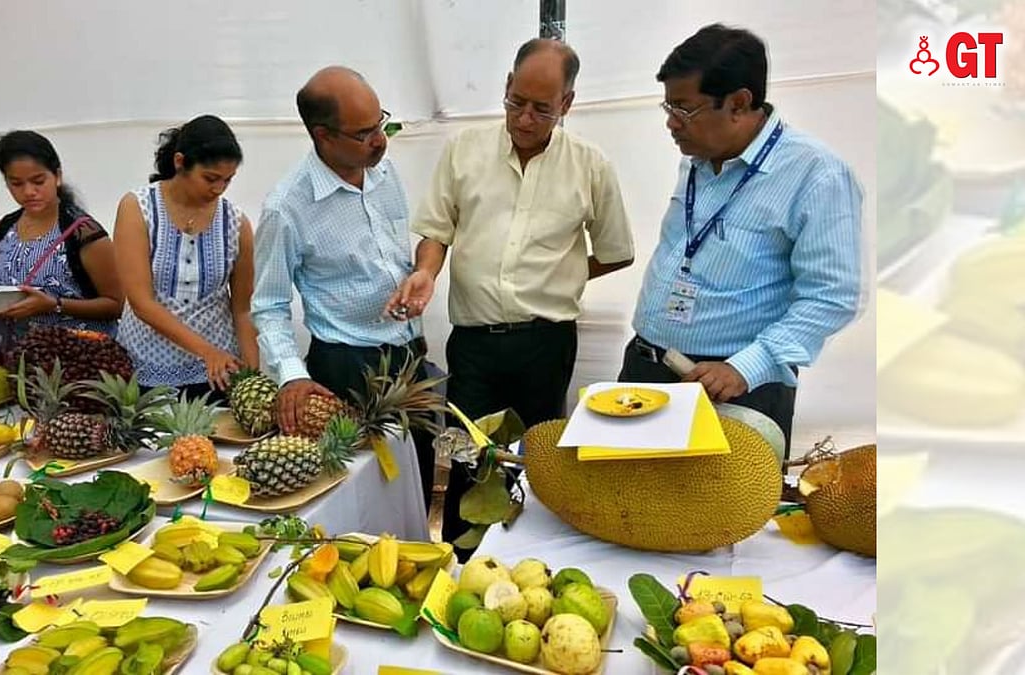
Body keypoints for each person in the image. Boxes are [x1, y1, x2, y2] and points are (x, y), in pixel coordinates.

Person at [391, 38, 635, 557]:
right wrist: (425, 273)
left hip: (545, 344)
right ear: (505, 86)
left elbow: (617, 251)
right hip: (474, 344)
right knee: (465, 458)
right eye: (516, 101)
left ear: (566, 104)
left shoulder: (590, 166)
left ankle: (531, 562)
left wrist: (563, 277)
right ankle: (462, 562)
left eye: (541, 109)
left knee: (538, 459)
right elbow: (436, 230)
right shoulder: (465, 150)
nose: (524, 118)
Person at [622, 24, 863, 453]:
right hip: (649, 368)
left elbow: (832, 296)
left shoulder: (816, 174)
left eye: (684, 109)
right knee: (629, 508)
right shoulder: (697, 158)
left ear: (739, 103)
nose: (671, 123)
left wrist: (746, 367)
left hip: (734, 388)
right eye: (667, 106)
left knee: (725, 517)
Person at [252, 66, 435, 507]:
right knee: (362, 496)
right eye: (364, 132)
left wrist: (415, 277)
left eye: (381, 124)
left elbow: (392, 254)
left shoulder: (384, 173)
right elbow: (269, 305)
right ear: (323, 135)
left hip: (408, 358)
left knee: (418, 480)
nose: (380, 139)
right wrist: (291, 375)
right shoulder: (286, 208)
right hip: (346, 370)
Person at [114, 115, 260, 403]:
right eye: (210, 178)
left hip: (216, 375)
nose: (218, 189)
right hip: (146, 369)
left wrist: (252, 377)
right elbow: (142, 302)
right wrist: (207, 351)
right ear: (180, 162)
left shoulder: (236, 223)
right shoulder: (138, 208)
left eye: (227, 180)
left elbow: (242, 309)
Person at [0, 131, 122, 356]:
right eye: (16, 183)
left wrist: (56, 304)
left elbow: (117, 304)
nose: (29, 192)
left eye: (38, 181)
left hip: (76, 364)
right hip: (16, 364)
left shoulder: (82, 233)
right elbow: (6, 277)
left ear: (57, 176)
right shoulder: (5, 228)